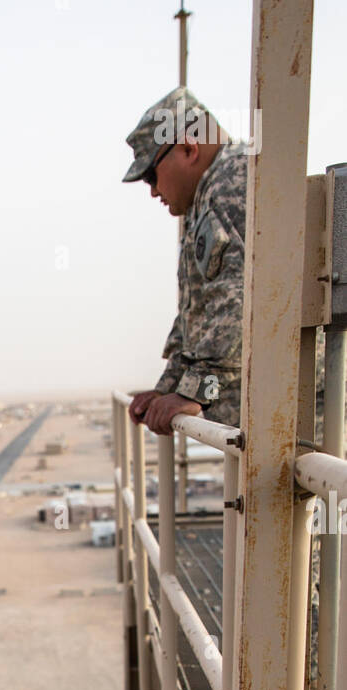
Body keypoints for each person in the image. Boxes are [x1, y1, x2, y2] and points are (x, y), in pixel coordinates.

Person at [122, 88, 247, 434]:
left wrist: (193, 393)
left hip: (296, 422)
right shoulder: (207, 199)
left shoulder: (232, 184)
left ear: (189, 149)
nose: (152, 191)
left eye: (151, 176)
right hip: (258, 425)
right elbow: (200, 314)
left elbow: (239, 303)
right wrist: (170, 386)